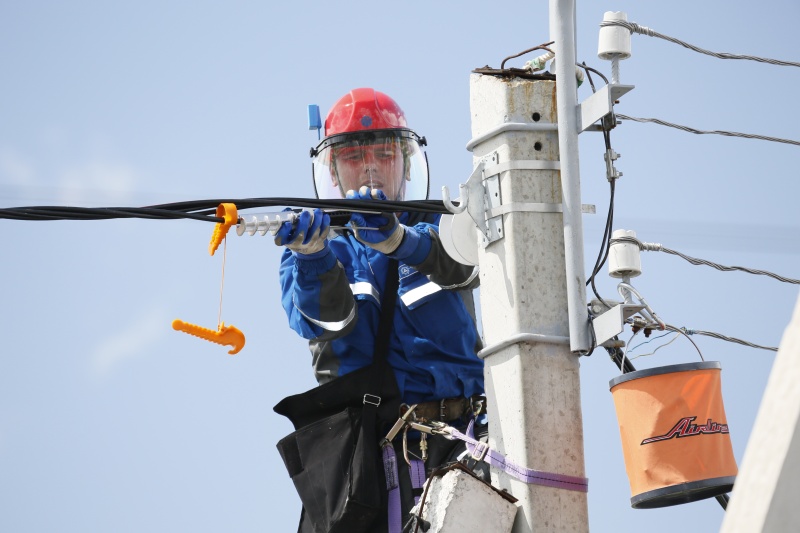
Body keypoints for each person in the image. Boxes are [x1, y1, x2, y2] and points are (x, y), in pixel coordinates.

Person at [274, 87, 487, 532]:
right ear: (332, 171)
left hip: (466, 446)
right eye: (352, 156)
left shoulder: (443, 229)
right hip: (371, 471)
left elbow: (465, 267)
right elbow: (327, 322)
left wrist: (397, 241)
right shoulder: (315, 246)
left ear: (406, 163)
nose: (369, 165)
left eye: (383, 153)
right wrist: (314, 257)